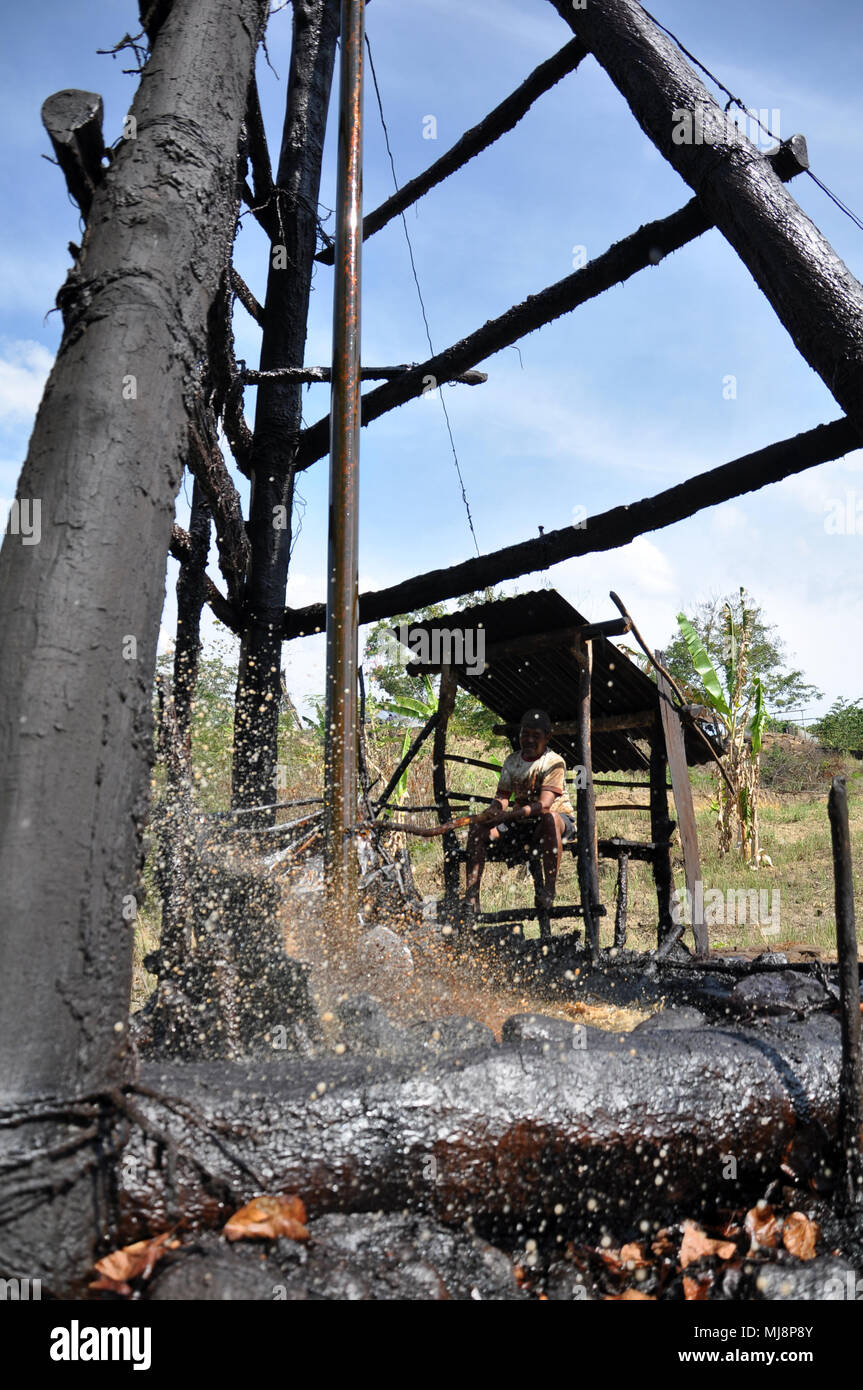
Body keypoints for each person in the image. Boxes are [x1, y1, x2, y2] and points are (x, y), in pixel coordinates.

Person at [456, 708, 575, 929]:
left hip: (554, 823)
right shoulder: (511, 761)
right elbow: (502, 798)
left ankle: (549, 890)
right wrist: (491, 813)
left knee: (549, 819)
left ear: (547, 736)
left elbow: (544, 805)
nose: (528, 740)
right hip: (520, 823)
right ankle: (472, 898)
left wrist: (509, 814)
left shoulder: (554, 762)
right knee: (478, 831)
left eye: (535, 736)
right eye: (524, 734)